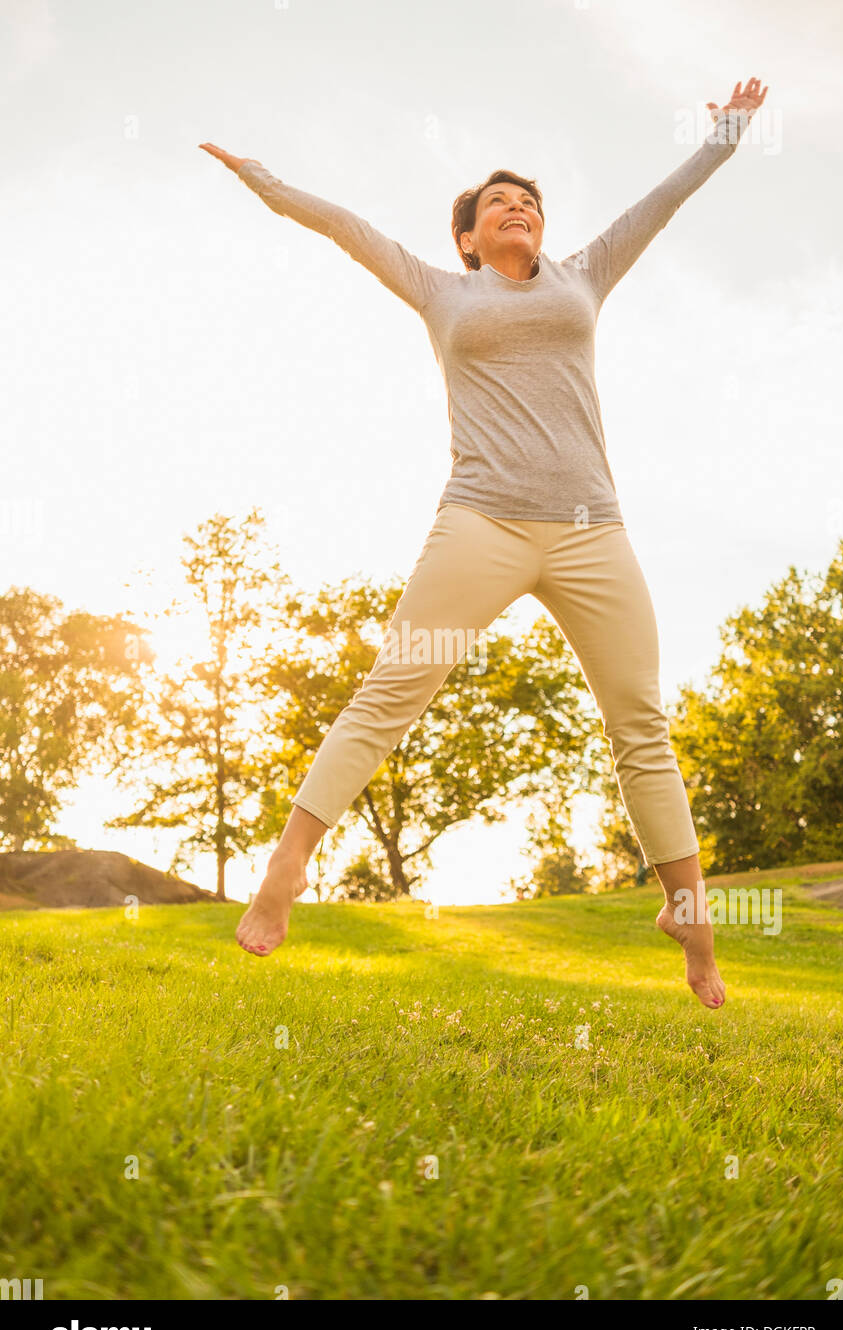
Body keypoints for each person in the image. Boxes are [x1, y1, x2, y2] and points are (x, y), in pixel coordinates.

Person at [200, 77, 768, 1008]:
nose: (519, 209)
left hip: (592, 532)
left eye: (530, 203)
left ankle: (693, 923)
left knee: (641, 724)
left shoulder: (585, 272)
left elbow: (661, 203)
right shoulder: (438, 290)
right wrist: (264, 179)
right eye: (499, 203)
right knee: (392, 689)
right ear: (467, 237)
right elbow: (346, 227)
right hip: (481, 522)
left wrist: (730, 135)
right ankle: (290, 865)